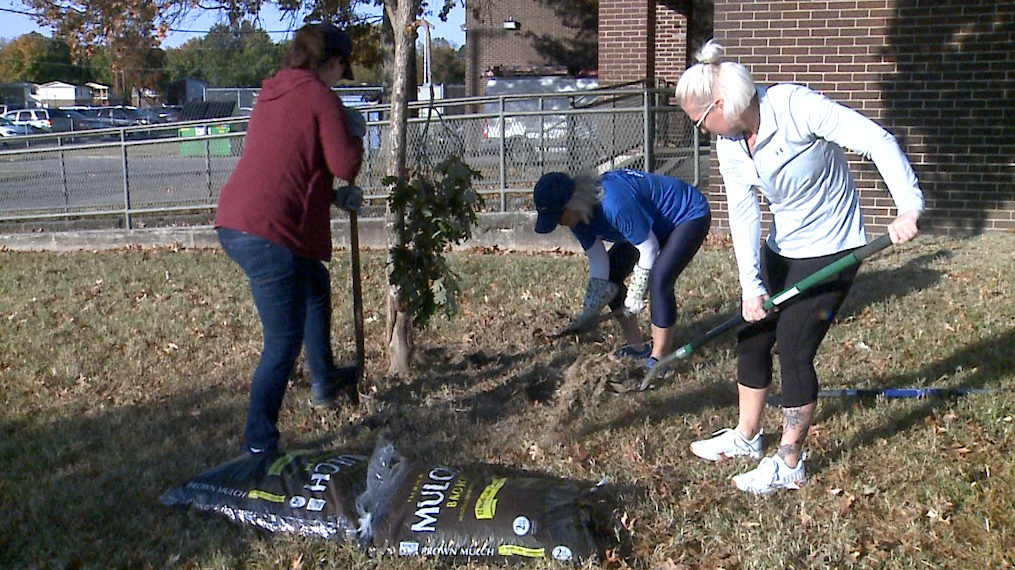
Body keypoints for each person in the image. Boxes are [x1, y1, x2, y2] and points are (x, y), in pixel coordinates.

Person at [674, 40, 923, 494]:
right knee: (752, 337)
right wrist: (751, 286)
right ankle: (747, 438)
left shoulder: (793, 106)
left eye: (699, 121)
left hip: (833, 248)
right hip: (783, 247)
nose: (701, 130)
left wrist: (907, 206)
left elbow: (876, 140)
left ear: (721, 105)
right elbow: (744, 211)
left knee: (793, 347)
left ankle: (790, 462)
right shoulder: (731, 144)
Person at [215, 22, 366, 455]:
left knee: (315, 286)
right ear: (332, 62)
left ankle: (324, 381)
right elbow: (343, 162)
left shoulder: (272, 92)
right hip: (269, 234)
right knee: (282, 342)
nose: (341, 78)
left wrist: (332, 196)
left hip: (237, 220)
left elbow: (286, 163)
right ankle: (258, 444)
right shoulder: (320, 95)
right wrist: (354, 133)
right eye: (342, 69)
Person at [533, 169, 711, 370]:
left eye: (558, 216)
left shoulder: (614, 203)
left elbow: (649, 247)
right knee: (612, 278)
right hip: (651, 226)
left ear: (573, 202)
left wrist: (636, 292)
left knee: (659, 279)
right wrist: (591, 309)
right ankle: (637, 347)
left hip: (686, 215)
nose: (558, 223)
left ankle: (660, 358)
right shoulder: (577, 217)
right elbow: (599, 260)